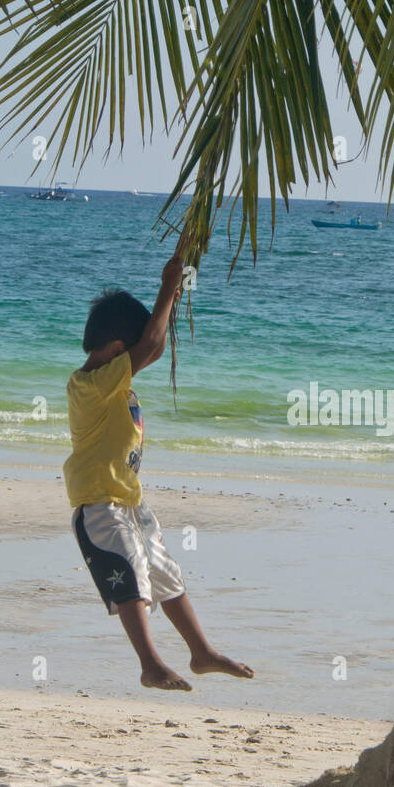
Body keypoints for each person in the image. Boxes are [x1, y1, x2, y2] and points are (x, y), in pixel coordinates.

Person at [63, 258, 253, 691]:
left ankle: (201, 652)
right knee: (132, 576)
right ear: (115, 349)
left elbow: (151, 342)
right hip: (98, 503)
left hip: (129, 500)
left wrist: (169, 297)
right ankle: (149, 663)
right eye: (129, 353)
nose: (141, 361)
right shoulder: (90, 384)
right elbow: (152, 346)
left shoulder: (112, 378)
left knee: (167, 574)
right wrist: (168, 285)